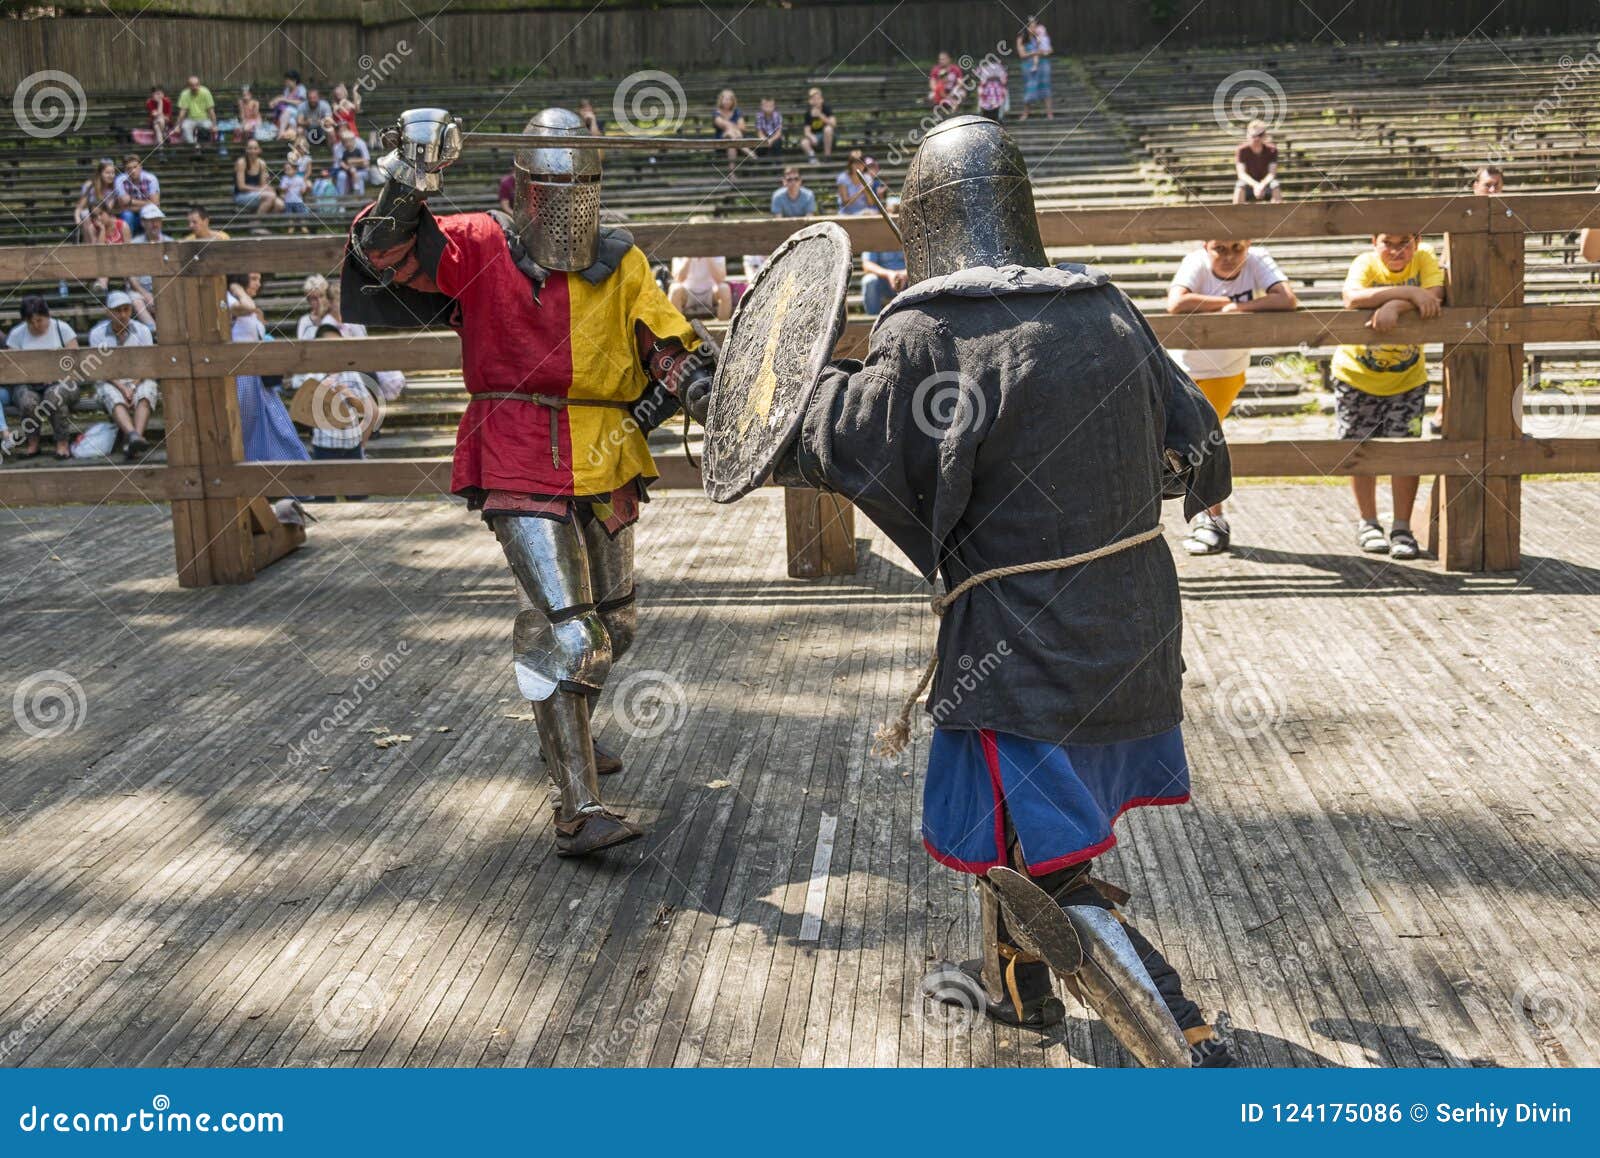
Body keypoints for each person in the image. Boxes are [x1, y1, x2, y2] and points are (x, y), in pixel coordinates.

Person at [707, 116, 1235, 1065]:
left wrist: (775, 390)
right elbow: (1198, 448)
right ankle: (1018, 986)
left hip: (1024, 640)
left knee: (1049, 857)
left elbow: (853, 442)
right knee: (1007, 825)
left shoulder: (928, 326)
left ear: (928, 220)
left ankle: (1178, 1038)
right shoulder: (1110, 307)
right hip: (1135, 622)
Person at [344, 107, 716, 857]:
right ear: (524, 189)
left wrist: (706, 393)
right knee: (573, 635)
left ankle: (563, 733)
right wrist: (411, 177)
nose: (570, 202)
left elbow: (663, 342)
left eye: (583, 185)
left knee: (617, 627)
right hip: (515, 445)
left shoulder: (622, 258)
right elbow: (380, 248)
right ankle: (578, 806)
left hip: (606, 449)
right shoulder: (481, 242)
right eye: (556, 186)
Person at [1165, 240, 1298, 554]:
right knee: (1184, 446)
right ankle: (1207, 520)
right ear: (1206, 247)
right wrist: (1225, 303)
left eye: (1236, 249)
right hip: (1187, 367)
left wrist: (1238, 309)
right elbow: (1176, 302)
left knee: (1205, 444)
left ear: (1248, 246)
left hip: (1226, 371)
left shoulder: (1258, 260)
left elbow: (1286, 299)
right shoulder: (1195, 262)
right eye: (1220, 249)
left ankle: (1212, 522)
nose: (1228, 257)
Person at [1332, 232, 1445, 560]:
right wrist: (1410, 292)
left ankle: (1401, 527)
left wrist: (1393, 304)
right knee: (1360, 449)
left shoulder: (1425, 258)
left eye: (1404, 243)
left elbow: (1435, 293)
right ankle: (1368, 522)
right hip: (1356, 375)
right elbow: (1352, 297)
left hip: (1407, 379)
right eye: (1388, 243)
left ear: (1417, 241)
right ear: (1374, 242)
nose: (1396, 251)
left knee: (1405, 453)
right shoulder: (1365, 263)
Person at [228, 272, 309, 463]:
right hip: (242, 378)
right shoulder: (230, 298)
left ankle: (292, 477)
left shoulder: (249, 307)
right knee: (249, 430)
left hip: (259, 379)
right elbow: (247, 307)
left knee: (278, 428)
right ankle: (255, 478)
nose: (258, 283)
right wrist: (236, 288)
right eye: (254, 278)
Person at [5, 297, 81, 461]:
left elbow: (76, 364)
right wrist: (32, 377)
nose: (36, 325)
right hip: (28, 383)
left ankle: (62, 443)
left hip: (62, 382)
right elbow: (12, 368)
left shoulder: (63, 329)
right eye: (31, 322)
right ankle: (33, 443)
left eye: (40, 320)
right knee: (27, 401)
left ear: (47, 315)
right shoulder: (17, 334)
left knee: (54, 396)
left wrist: (55, 376)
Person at [89, 291, 160, 461]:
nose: (122, 314)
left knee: (148, 389)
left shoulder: (142, 330)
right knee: (110, 393)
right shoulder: (97, 334)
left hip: (138, 377)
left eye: (126, 309)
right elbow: (101, 369)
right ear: (108, 311)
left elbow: (147, 364)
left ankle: (134, 439)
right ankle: (134, 436)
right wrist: (122, 387)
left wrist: (133, 385)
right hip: (111, 380)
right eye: (117, 310)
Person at [669, 218, 734, 320]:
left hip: (710, 292)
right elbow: (678, 278)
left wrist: (707, 254)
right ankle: (679, 329)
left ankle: (723, 328)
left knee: (724, 289)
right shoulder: (680, 249)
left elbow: (720, 279)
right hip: (687, 292)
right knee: (675, 289)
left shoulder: (717, 248)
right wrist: (689, 256)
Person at [126, 204, 168, 331]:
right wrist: (147, 295)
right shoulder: (134, 245)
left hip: (166, 287)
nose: (155, 224)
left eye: (157, 220)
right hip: (140, 289)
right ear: (143, 223)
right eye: (151, 221)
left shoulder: (170, 242)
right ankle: (153, 330)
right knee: (136, 299)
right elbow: (130, 277)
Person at [1233, 120, 1282, 203]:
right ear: (1248, 135)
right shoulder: (1241, 150)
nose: (1257, 138)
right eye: (1254, 135)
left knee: (1275, 185)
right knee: (1240, 186)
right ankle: (1237, 215)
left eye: (1260, 135)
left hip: (1266, 185)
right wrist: (1256, 185)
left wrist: (1261, 185)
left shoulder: (1272, 150)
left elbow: (1272, 174)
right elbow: (1241, 174)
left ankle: (1280, 215)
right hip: (1248, 185)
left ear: (1265, 135)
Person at [1016, 15, 1054, 120]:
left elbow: (1050, 50)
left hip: (1043, 64)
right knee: (1030, 87)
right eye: (1031, 26)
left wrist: (1044, 51)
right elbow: (1022, 55)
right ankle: (1026, 112)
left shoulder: (1041, 36)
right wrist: (1034, 52)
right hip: (1028, 65)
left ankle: (1049, 112)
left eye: (1035, 26)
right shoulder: (1021, 39)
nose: (1033, 28)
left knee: (1046, 87)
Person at [75, 158, 120, 243]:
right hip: (91, 214)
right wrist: (77, 218)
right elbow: (79, 207)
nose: (110, 175)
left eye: (112, 173)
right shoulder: (90, 186)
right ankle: (89, 245)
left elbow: (108, 209)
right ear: (100, 174)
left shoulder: (113, 189)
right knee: (86, 216)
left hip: (103, 214)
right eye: (107, 173)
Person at [234, 139, 284, 214]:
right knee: (270, 196)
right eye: (250, 148)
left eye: (255, 148)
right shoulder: (241, 163)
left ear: (259, 150)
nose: (253, 151)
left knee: (280, 205)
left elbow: (262, 184)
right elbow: (241, 187)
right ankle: (256, 221)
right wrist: (260, 189)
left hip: (258, 194)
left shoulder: (262, 163)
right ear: (246, 150)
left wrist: (269, 188)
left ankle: (260, 216)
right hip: (242, 195)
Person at [114, 154, 160, 233]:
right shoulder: (120, 180)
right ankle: (128, 243)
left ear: (141, 167)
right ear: (125, 170)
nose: (133, 171)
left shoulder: (151, 179)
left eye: (135, 167)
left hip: (147, 211)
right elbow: (122, 205)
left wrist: (130, 201)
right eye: (129, 168)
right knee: (127, 215)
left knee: (151, 213)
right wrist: (148, 203)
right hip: (129, 213)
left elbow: (155, 204)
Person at [712, 88, 755, 173]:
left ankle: (731, 174)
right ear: (721, 100)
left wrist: (734, 129)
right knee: (729, 132)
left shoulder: (737, 112)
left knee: (731, 141)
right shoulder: (716, 113)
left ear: (733, 101)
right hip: (721, 140)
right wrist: (735, 128)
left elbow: (743, 127)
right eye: (725, 99)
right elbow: (722, 124)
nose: (727, 101)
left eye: (730, 99)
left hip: (734, 140)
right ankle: (746, 150)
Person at [861, 247, 907, 315]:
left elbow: (919, 261)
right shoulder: (873, 237)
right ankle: (873, 319)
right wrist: (888, 274)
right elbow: (867, 264)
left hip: (908, 280)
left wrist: (905, 274)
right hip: (883, 281)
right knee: (869, 280)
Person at [177, 76, 218, 146]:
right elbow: (182, 113)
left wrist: (214, 125)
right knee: (185, 127)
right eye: (192, 85)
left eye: (196, 85)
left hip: (205, 119)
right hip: (190, 119)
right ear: (189, 86)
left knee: (208, 128)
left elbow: (211, 111)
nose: (195, 87)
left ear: (199, 84)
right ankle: (195, 147)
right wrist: (178, 126)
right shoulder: (185, 94)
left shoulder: (205, 92)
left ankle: (205, 148)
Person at [798, 87, 835, 163]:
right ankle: (813, 159)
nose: (816, 101)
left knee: (828, 129)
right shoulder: (808, 113)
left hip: (829, 136)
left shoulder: (826, 109)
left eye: (818, 98)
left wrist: (820, 115)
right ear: (810, 101)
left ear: (822, 99)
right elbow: (806, 131)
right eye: (813, 99)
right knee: (804, 142)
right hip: (815, 136)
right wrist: (811, 137)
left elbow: (833, 124)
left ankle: (827, 156)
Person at [332, 127, 371, 196]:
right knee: (341, 176)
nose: (347, 143)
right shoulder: (338, 147)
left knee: (358, 175)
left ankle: (360, 197)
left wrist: (352, 162)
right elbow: (340, 163)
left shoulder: (360, 145)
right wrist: (349, 166)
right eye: (345, 141)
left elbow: (366, 162)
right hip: (346, 170)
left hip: (360, 170)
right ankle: (341, 198)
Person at [836, 150, 872, 215]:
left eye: (861, 162)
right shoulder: (842, 178)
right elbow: (845, 203)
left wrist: (867, 191)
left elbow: (870, 202)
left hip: (864, 213)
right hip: (846, 213)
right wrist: (860, 191)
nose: (858, 165)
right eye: (855, 163)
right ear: (850, 165)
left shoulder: (867, 178)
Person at [977, 56, 1009, 122]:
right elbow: (982, 81)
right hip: (986, 89)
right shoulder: (984, 68)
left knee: (1004, 94)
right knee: (981, 91)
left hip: (998, 88)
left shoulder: (1000, 67)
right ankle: (982, 114)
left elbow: (1003, 81)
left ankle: (1000, 117)